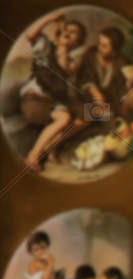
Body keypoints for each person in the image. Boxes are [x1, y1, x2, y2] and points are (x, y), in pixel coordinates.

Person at [19, 14, 88, 172]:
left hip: (54, 102)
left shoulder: (72, 62)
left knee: (97, 113)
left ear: (77, 43)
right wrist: (51, 18)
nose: (68, 33)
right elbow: (30, 35)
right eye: (67, 30)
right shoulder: (45, 47)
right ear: (59, 34)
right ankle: (33, 157)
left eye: (74, 32)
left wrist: (63, 49)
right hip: (33, 100)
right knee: (64, 119)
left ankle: (50, 148)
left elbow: (63, 69)